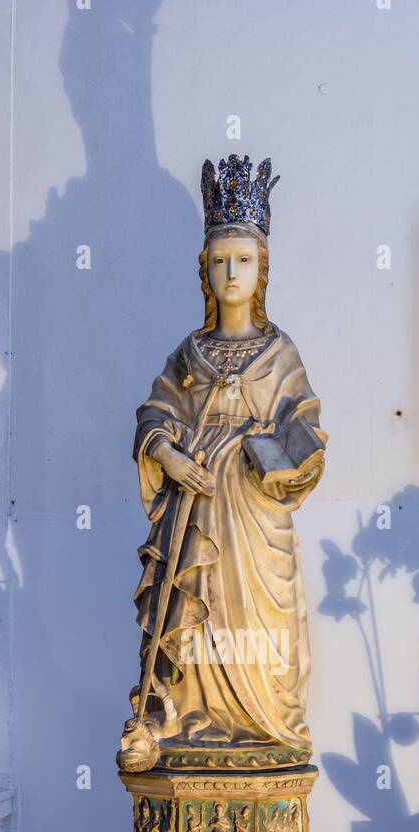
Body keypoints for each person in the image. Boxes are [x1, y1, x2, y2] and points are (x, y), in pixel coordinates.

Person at [123, 156, 325, 762]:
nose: (230, 272)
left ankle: (266, 724)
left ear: (262, 270)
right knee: (193, 604)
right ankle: (185, 717)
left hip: (254, 513)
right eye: (219, 261)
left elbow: (304, 422)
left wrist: (278, 452)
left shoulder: (279, 352)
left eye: (243, 260)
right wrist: (167, 454)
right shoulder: (190, 353)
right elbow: (155, 412)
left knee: (261, 623)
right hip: (195, 504)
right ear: (203, 270)